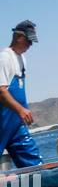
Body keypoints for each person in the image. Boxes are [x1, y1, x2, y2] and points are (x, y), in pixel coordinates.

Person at [0, 21, 42, 168]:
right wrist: (20, 109)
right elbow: (1, 90)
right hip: (2, 122)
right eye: (29, 40)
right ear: (19, 37)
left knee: (32, 161)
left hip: (16, 124)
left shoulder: (22, 59)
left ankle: (40, 183)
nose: (31, 45)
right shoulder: (4, 57)